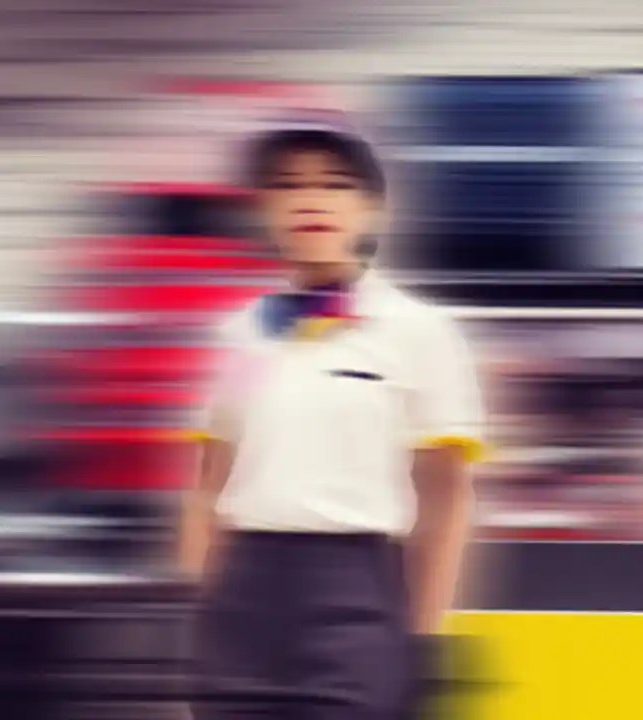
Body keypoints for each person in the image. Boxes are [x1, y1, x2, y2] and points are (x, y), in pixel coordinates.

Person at [177, 115, 486, 719]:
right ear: (264, 210)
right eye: (289, 185)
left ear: (372, 210)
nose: (311, 199)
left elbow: (446, 499)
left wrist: (425, 641)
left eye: (336, 184)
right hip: (242, 598)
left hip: (357, 595)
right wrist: (192, 614)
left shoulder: (420, 332)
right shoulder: (239, 335)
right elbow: (209, 484)